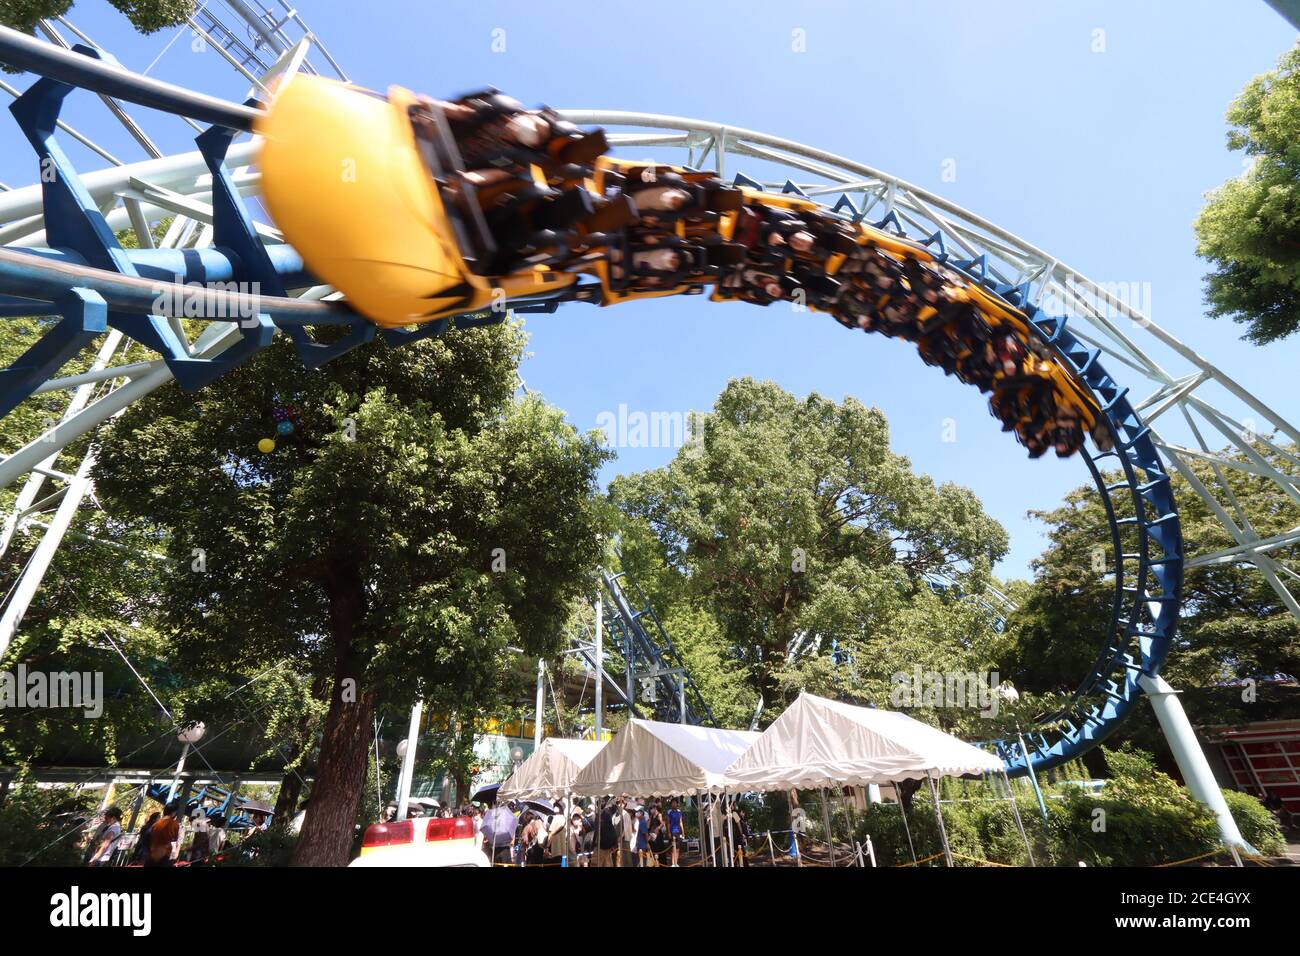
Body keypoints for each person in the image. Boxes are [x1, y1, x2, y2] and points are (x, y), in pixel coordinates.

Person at [666, 798, 685, 867]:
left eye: (675, 803)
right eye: (672, 803)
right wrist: (668, 832)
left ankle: (676, 863)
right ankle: (673, 863)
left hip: (678, 832)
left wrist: (683, 832)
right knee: (672, 848)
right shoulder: (669, 812)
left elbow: (680, 822)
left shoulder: (679, 812)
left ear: (677, 804)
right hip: (672, 831)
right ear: (671, 804)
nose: (674, 804)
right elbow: (668, 823)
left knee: (677, 848)